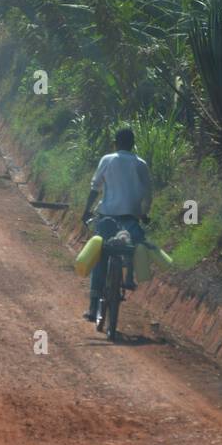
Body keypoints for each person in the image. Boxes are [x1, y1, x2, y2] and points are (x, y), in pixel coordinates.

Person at [80, 127, 152, 323]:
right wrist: (144, 214)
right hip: (130, 219)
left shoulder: (108, 159)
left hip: (107, 218)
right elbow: (148, 193)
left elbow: (95, 187)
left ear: (115, 143)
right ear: (133, 144)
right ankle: (129, 276)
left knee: (100, 255)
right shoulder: (141, 164)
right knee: (135, 245)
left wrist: (86, 210)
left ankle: (93, 307)